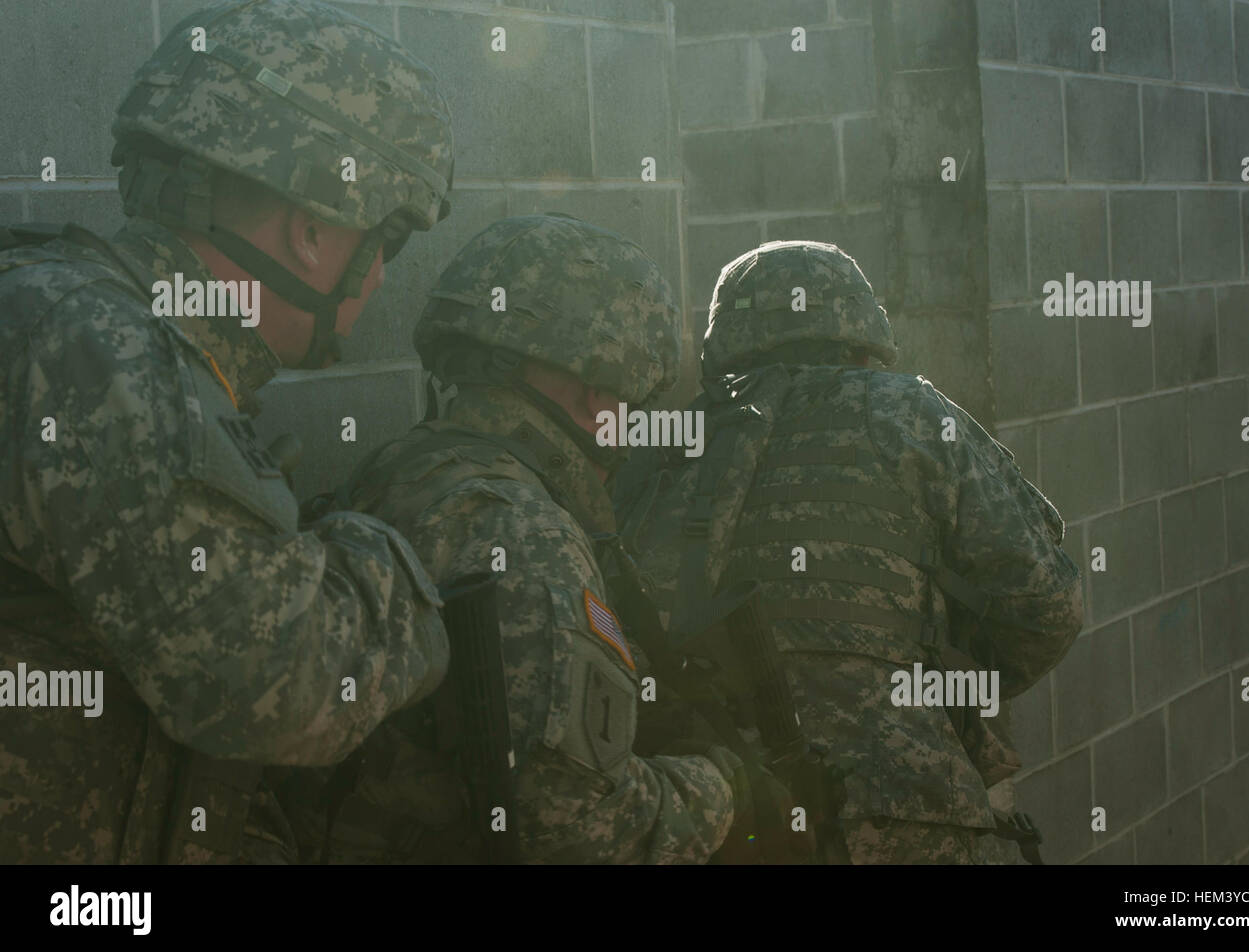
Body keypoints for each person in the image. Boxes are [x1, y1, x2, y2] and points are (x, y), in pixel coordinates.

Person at [0, 0, 456, 863]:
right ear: (315, 232)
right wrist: (387, 563)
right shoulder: (108, 350)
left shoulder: (83, 320)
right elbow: (274, 684)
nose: (385, 272)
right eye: (386, 236)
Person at [277, 214, 753, 864]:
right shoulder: (525, 527)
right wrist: (724, 789)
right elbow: (582, 830)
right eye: (634, 400)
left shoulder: (395, 471)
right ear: (596, 391)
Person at [614, 240, 1084, 863]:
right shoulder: (908, 412)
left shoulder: (675, 444)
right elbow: (1047, 607)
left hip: (730, 817)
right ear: (864, 332)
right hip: (907, 807)